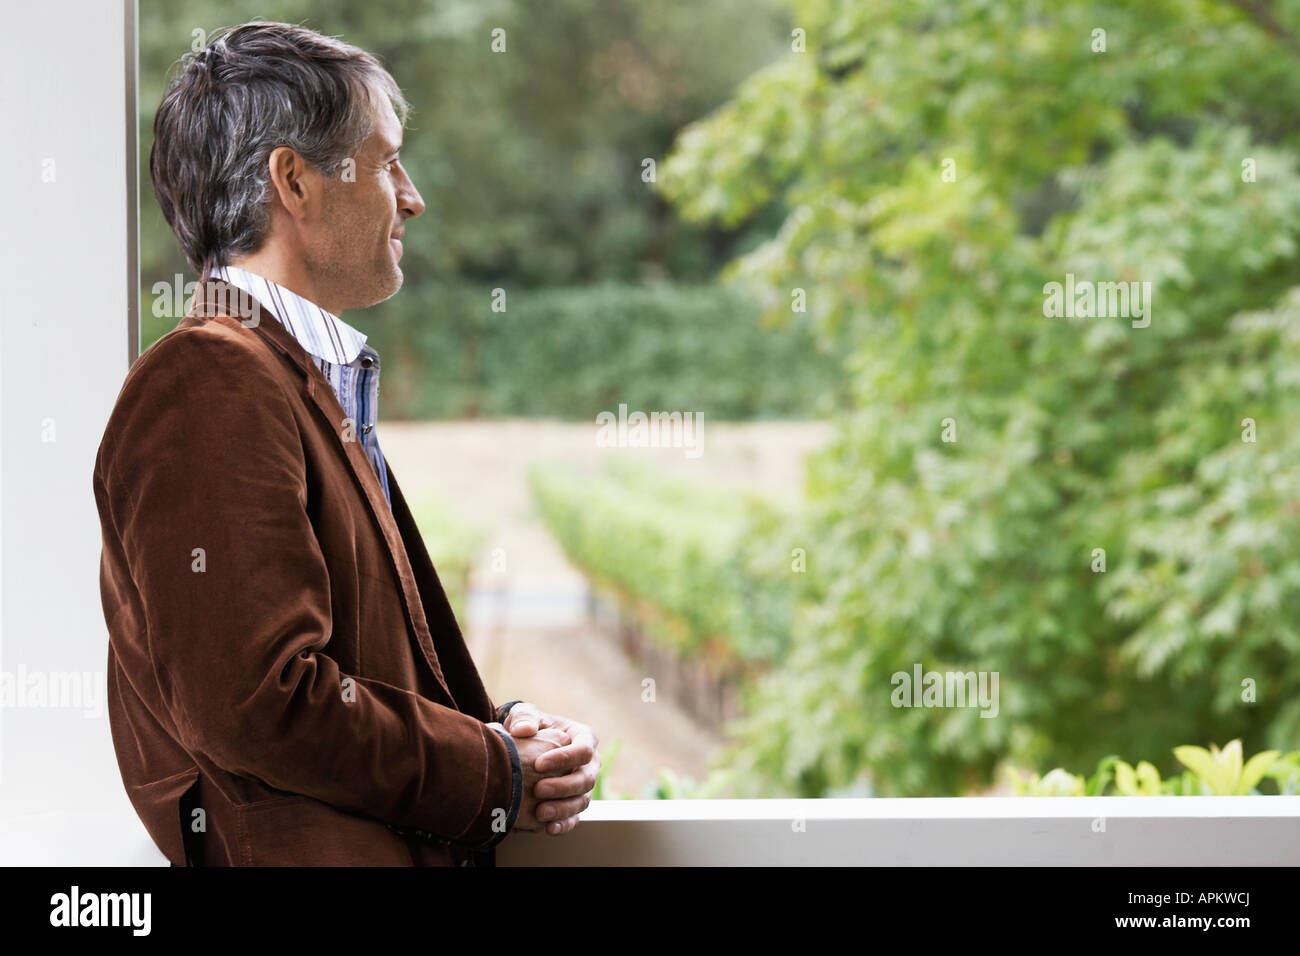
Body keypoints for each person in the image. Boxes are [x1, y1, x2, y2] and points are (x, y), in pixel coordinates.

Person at [93, 21, 598, 866]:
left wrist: (494, 738)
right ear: (293, 180)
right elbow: (259, 702)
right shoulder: (209, 382)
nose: (412, 196)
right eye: (389, 159)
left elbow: (337, 670)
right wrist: (492, 770)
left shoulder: (280, 376)